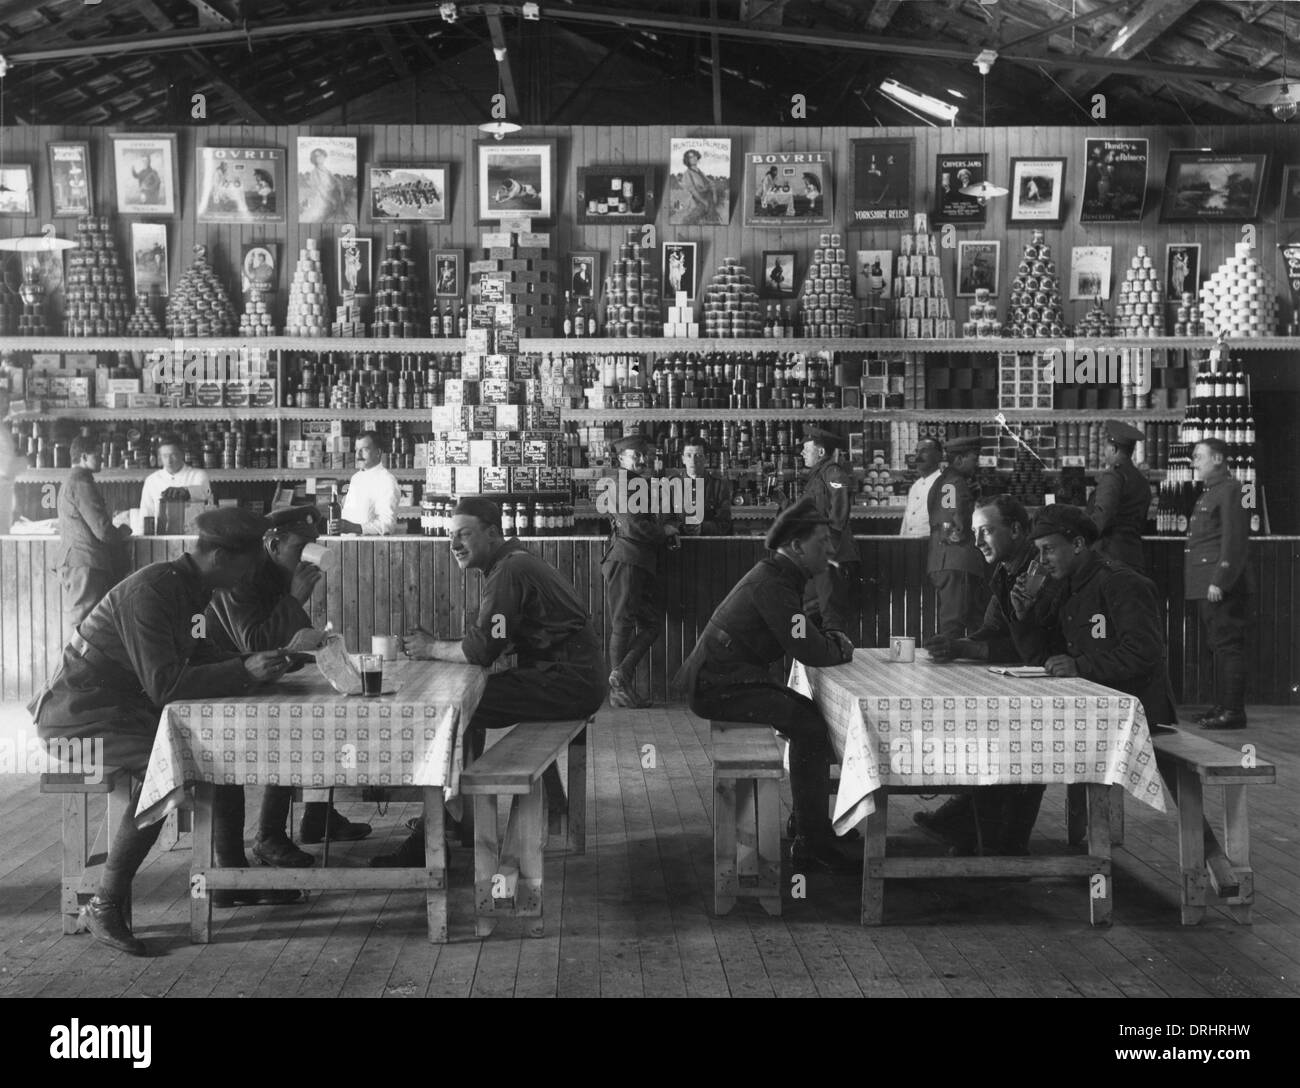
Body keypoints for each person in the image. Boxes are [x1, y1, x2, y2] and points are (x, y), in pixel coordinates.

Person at [27, 508, 298, 955]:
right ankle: (104, 901)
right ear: (218, 555)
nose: (251, 574)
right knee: (167, 768)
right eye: (247, 564)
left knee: (213, 746)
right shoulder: (153, 591)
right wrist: (241, 669)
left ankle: (228, 877)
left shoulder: (193, 589)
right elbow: (165, 685)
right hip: (76, 717)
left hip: (119, 710)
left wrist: (254, 667)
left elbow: (201, 653)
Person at [374, 497, 607, 866]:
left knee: (453, 710)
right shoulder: (514, 564)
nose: (454, 546)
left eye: (464, 535)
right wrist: (447, 647)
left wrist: (431, 647)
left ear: (493, 534)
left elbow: (482, 651)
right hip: (570, 677)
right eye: (451, 536)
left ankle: (436, 833)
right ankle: (454, 818)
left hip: (569, 681)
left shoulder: (509, 572)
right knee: (467, 705)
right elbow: (492, 640)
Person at [1032, 504, 1237, 874]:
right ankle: (1085, 844)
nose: (1042, 559)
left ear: (1078, 544)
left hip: (1141, 710)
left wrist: (1081, 666)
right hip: (1094, 710)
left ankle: (1213, 859)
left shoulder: (1120, 582)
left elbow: (1144, 654)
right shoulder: (1065, 584)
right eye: (1038, 551)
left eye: (1048, 548)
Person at [674, 498, 857, 872]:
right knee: (808, 725)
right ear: (795, 546)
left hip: (725, 679)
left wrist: (825, 639)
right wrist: (838, 644)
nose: (830, 548)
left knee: (806, 718)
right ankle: (813, 841)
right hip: (717, 686)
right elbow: (807, 647)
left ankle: (809, 823)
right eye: (821, 541)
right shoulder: (773, 584)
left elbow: (802, 632)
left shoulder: (779, 576)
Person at [205, 506, 371, 867]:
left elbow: (290, 641)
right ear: (274, 543)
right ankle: (269, 836)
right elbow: (255, 642)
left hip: (257, 681)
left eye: (313, 544)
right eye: (302, 546)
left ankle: (316, 815)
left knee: (323, 715)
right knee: (294, 728)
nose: (309, 554)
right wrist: (295, 599)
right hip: (224, 686)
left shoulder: (276, 573)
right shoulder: (244, 577)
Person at [917, 496, 1067, 856]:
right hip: (1031, 683)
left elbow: (1028, 647)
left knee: (1013, 739)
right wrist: (958, 645)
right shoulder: (1004, 570)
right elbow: (993, 631)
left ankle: (1004, 847)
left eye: (986, 531)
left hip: (1058, 683)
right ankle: (970, 824)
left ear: (1015, 530)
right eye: (974, 532)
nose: (978, 540)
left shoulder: (1042, 571)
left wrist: (968, 648)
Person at [602, 434, 679, 708]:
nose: (643, 459)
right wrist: (665, 531)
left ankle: (621, 675)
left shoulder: (636, 484)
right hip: (627, 561)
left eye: (645, 454)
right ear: (621, 459)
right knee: (623, 623)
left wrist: (665, 528)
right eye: (636, 455)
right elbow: (635, 527)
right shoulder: (622, 483)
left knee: (651, 625)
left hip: (639, 562)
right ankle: (619, 691)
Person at [1186, 438, 1251, 730]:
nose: (1194, 462)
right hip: (1206, 582)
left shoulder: (1233, 490)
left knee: (1227, 646)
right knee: (1218, 646)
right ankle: (1222, 706)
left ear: (1218, 458)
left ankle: (1233, 711)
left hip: (1219, 583)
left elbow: (1234, 541)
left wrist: (1220, 580)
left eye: (1199, 457)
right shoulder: (1212, 491)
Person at [57, 435, 132, 628]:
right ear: (83, 457)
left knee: (88, 626)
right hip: (87, 565)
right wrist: (123, 531)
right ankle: (72, 659)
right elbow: (103, 531)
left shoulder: (72, 481)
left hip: (79, 563)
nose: (102, 458)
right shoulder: (82, 484)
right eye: (98, 454)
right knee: (85, 627)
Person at [800, 427, 860, 634]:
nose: (802, 454)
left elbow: (840, 506)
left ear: (821, 452)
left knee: (831, 617)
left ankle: (836, 660)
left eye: (806, 450)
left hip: (834, 556)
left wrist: (830, 542)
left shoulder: (833, 472)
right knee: (810, 610)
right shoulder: (817, 476)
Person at [927, 435, 988, 636]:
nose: (977, 463)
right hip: (956, 561)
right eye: (974, 458)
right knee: (953, 625)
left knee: (963, 621)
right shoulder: (953, 484)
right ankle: (945, 663)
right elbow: (951, 526)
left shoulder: (943, 481)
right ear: (959, 459)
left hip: (946, 560)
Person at [1086, 420, 1151, 572]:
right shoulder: (1142, 481)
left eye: (1105, 448)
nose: (1104, 452)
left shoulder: (1113, 476)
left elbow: (1102, 517)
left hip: (1109, 558)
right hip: (1133, 556)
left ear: (1114, 449)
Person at [139, 433, 212, 528]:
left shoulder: (198, 475)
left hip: (192, 533)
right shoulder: (152, 480)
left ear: (182, 454)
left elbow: (205, 493)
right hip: (162, 537)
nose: (169, 460)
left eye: (173, 455)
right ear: (160, 457)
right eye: (165, 456)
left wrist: (185, 491)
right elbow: (146, 513)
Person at [339, 430, 402, 535]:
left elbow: (387, 525)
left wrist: (355, 528)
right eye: (356, 450)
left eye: (364, 449)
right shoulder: (356, 478)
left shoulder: (386, 481)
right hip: (348, 546)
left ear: (378, 452)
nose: (358, 455)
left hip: (370, 548)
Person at [675, 437, 732, 536]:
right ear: (683, 459)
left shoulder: (719, 486)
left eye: (698, 455)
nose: (693, 460)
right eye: (689, 455)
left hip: (709, 546)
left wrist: (703, 528)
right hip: (680, 545)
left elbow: (725, 523)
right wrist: (681, 528)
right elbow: (665, 521)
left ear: (705, 458)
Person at [899, 437, 942, 538]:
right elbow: (906, 522)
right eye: (917, 452)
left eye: (924, 451)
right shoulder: (915, 486)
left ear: (938, 456)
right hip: (910, 546)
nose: (918, 456)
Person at [300, 147, 345, 223]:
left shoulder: (326, 170)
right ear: (313, 159)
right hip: (323, 201)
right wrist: (332, 200)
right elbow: (321, 190)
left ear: (324, 156)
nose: (319, 157)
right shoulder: (314, 173)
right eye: (316, 156)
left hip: (334, 198)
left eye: (321, 155)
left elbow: (337, 182)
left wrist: (341, 193)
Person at [677, 148, 719, 225]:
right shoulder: (687, 174)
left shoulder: (699, 171)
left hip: (709, 196)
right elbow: (693, 191)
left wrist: (714, 195)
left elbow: (711, 183)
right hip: (698, 199)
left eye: (695, 156)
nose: (694, 158)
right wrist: (704, 202)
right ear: (687, 160)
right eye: (691, 157)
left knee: (713, 218)